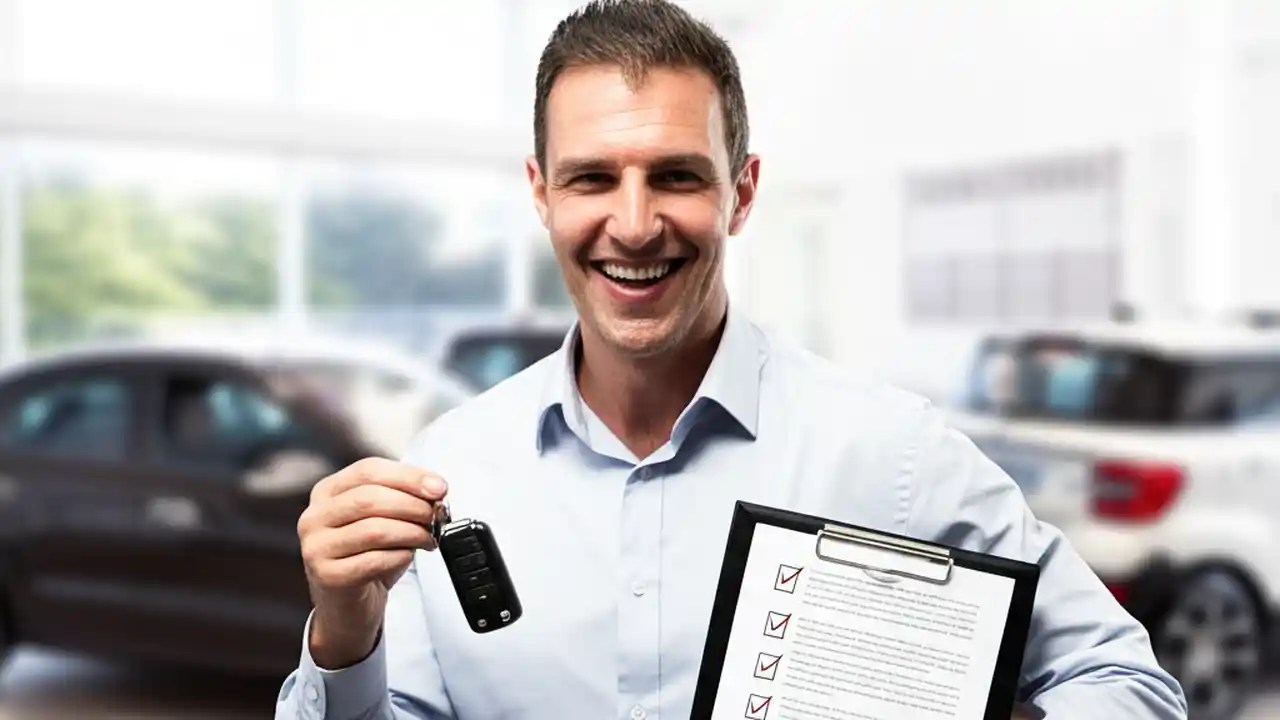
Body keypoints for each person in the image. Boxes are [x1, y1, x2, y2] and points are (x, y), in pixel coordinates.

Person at [274, 1, 1188, 718]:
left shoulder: (893, 454)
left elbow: (1120, 675)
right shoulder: (449, 471)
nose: (634, 225)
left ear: (741, 192)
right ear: (542, 194)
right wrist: (344, 639)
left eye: (676, 175)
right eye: (594, 178)